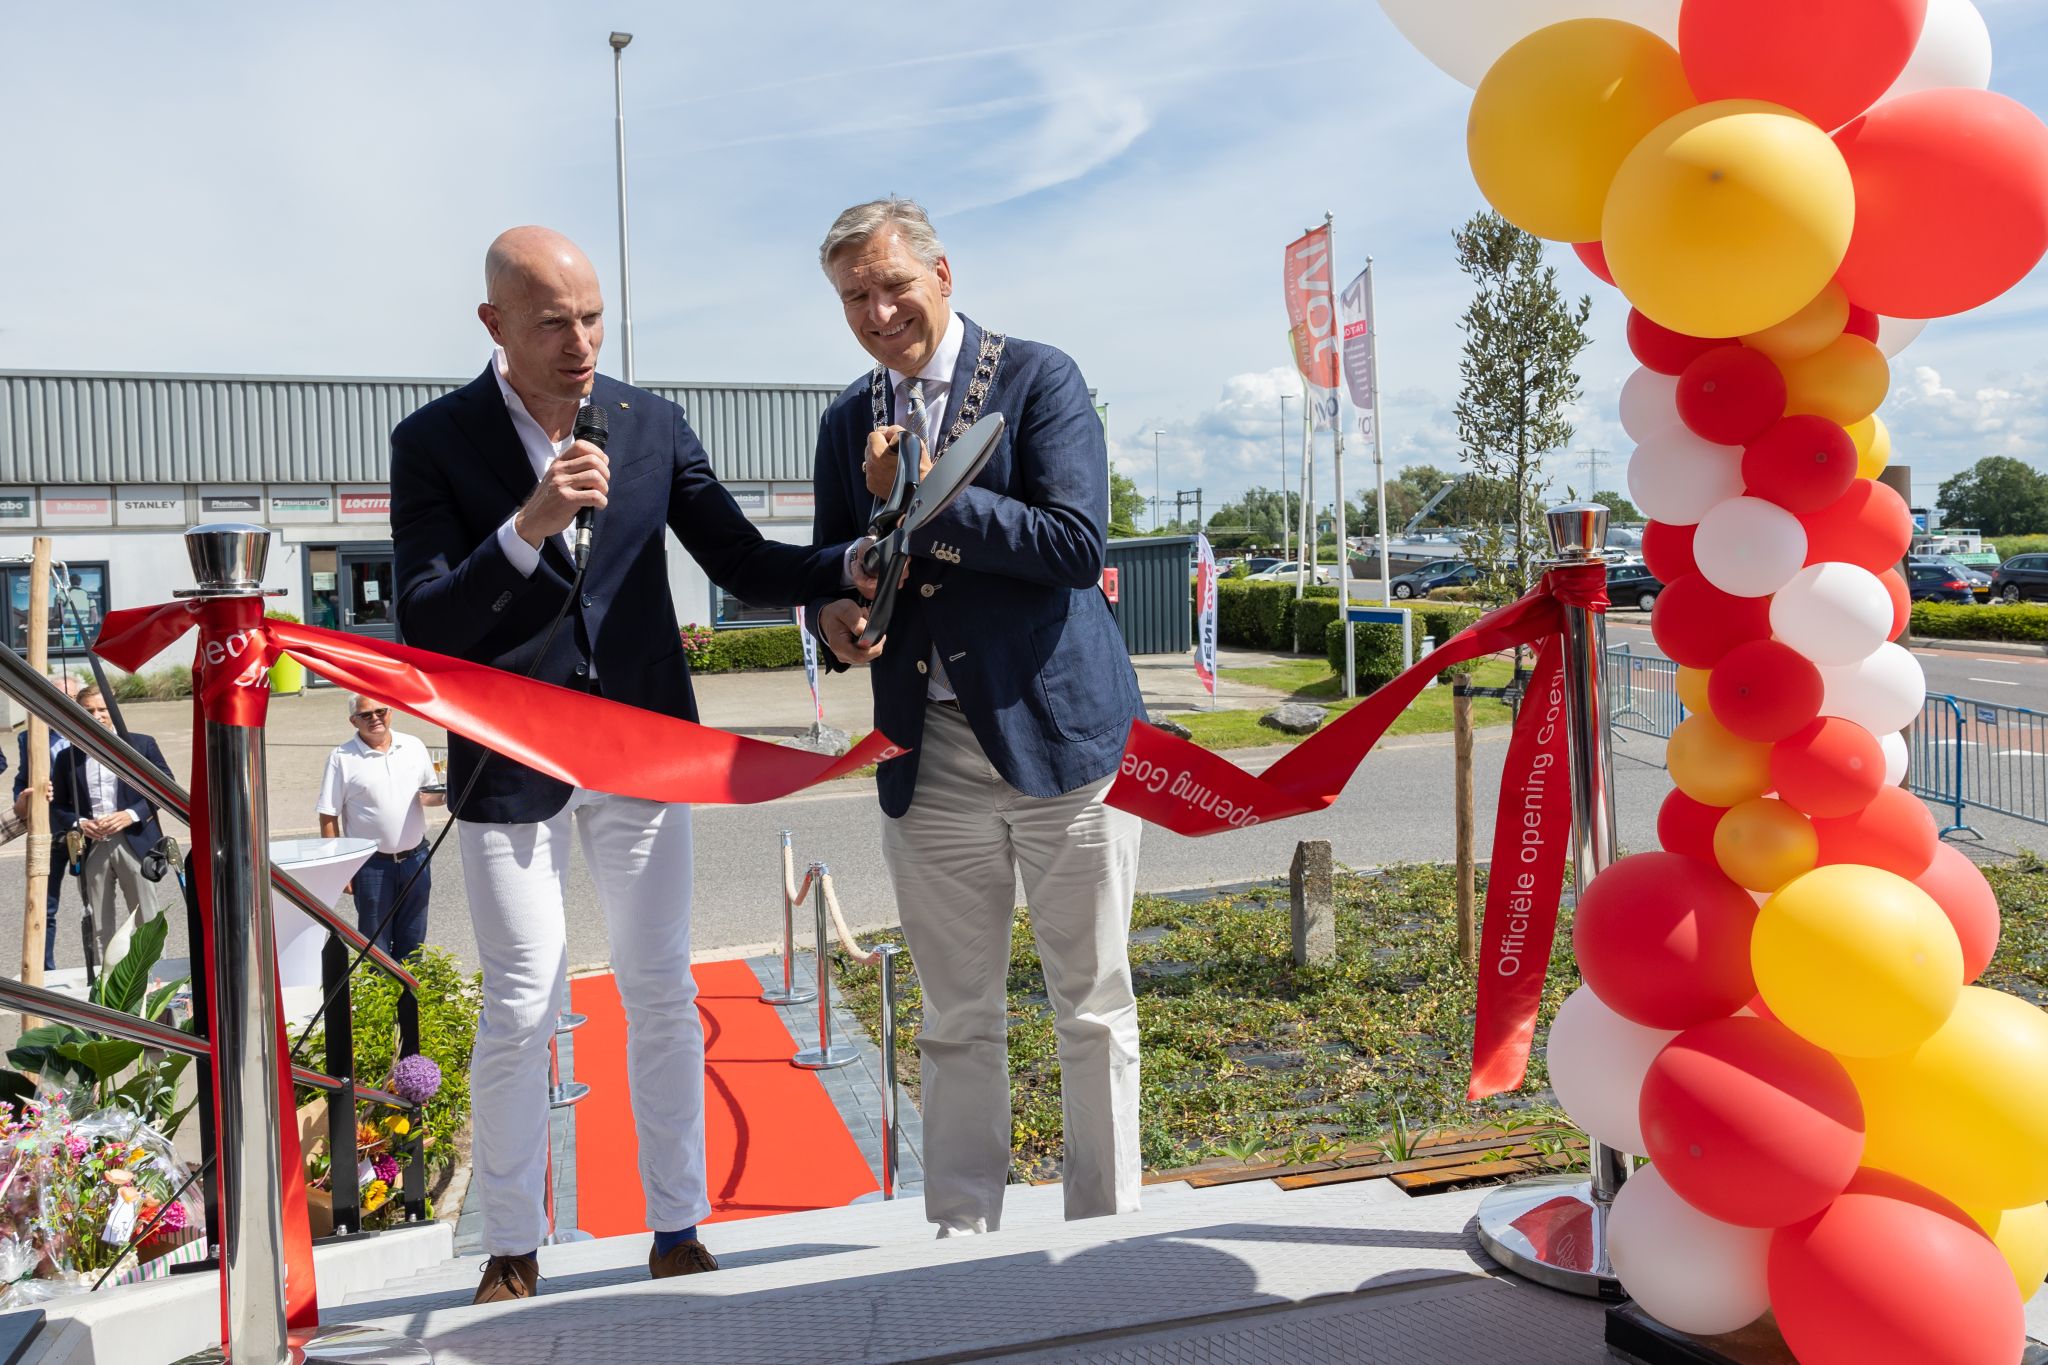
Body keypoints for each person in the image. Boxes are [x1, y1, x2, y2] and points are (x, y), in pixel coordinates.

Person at [390, 226, 861, 1304]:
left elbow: (738, 556)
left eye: (593, 315)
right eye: (553, 321)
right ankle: (510, 1241)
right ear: (494, 325)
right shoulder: (435, 442)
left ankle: (677, 1224)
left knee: (660, 986)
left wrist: (844, 571)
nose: (580, 341)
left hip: (644, 742)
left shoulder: (650, 422)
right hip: (510, 761)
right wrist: (530, 523)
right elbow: (427, 622)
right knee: (522, 998)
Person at [806, 198, 1148, 1236]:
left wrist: (920, 495)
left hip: (1063, 748)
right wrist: (836, 616)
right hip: (927, 753)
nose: (876, 311)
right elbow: (835, 570)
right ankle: (962, 1242)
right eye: (854, 297)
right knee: (955, 1019)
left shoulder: (1039, 377)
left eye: (891, 285)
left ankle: (1105, 1236)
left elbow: (1072, 547)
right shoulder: (842, 419)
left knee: (1090, 1009)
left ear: (942, 274)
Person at [317, 695, 444, 964]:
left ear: (390, 713)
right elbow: (328, 814)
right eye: (366, 715)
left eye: (380, 711)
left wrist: (449, 793)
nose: (375, 718)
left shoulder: (413, 745)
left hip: (416, 859)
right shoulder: (341, 758)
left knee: (414, 941)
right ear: (354, 721)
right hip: (371, 866)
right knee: (376, 945)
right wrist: (337, 867)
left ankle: (410, 1001)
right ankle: (382, 1004)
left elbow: (427, 796)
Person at [50, 686, 172, 968]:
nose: (97, 715)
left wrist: (131, 814)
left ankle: (155, 980)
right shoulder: (68, 757)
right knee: (98, 924)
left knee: (146, 918)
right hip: (92, 845)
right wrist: (79, 823)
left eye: (103, 709)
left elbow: (166, 788)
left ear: (114, 710)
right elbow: (57, 806)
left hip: (134, 840)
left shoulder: (141, 745)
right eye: (89, 710)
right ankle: (105, 986)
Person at [15, 675, 85, 970]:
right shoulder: (30, 737)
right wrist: (23, 800)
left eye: (71, 696)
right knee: (45, 907)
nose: (63, 702)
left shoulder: (92, 733)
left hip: (89, 830)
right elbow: (21, 783)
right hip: (52, 833)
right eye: (57, 695)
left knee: (96, 906)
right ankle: (46, 972)